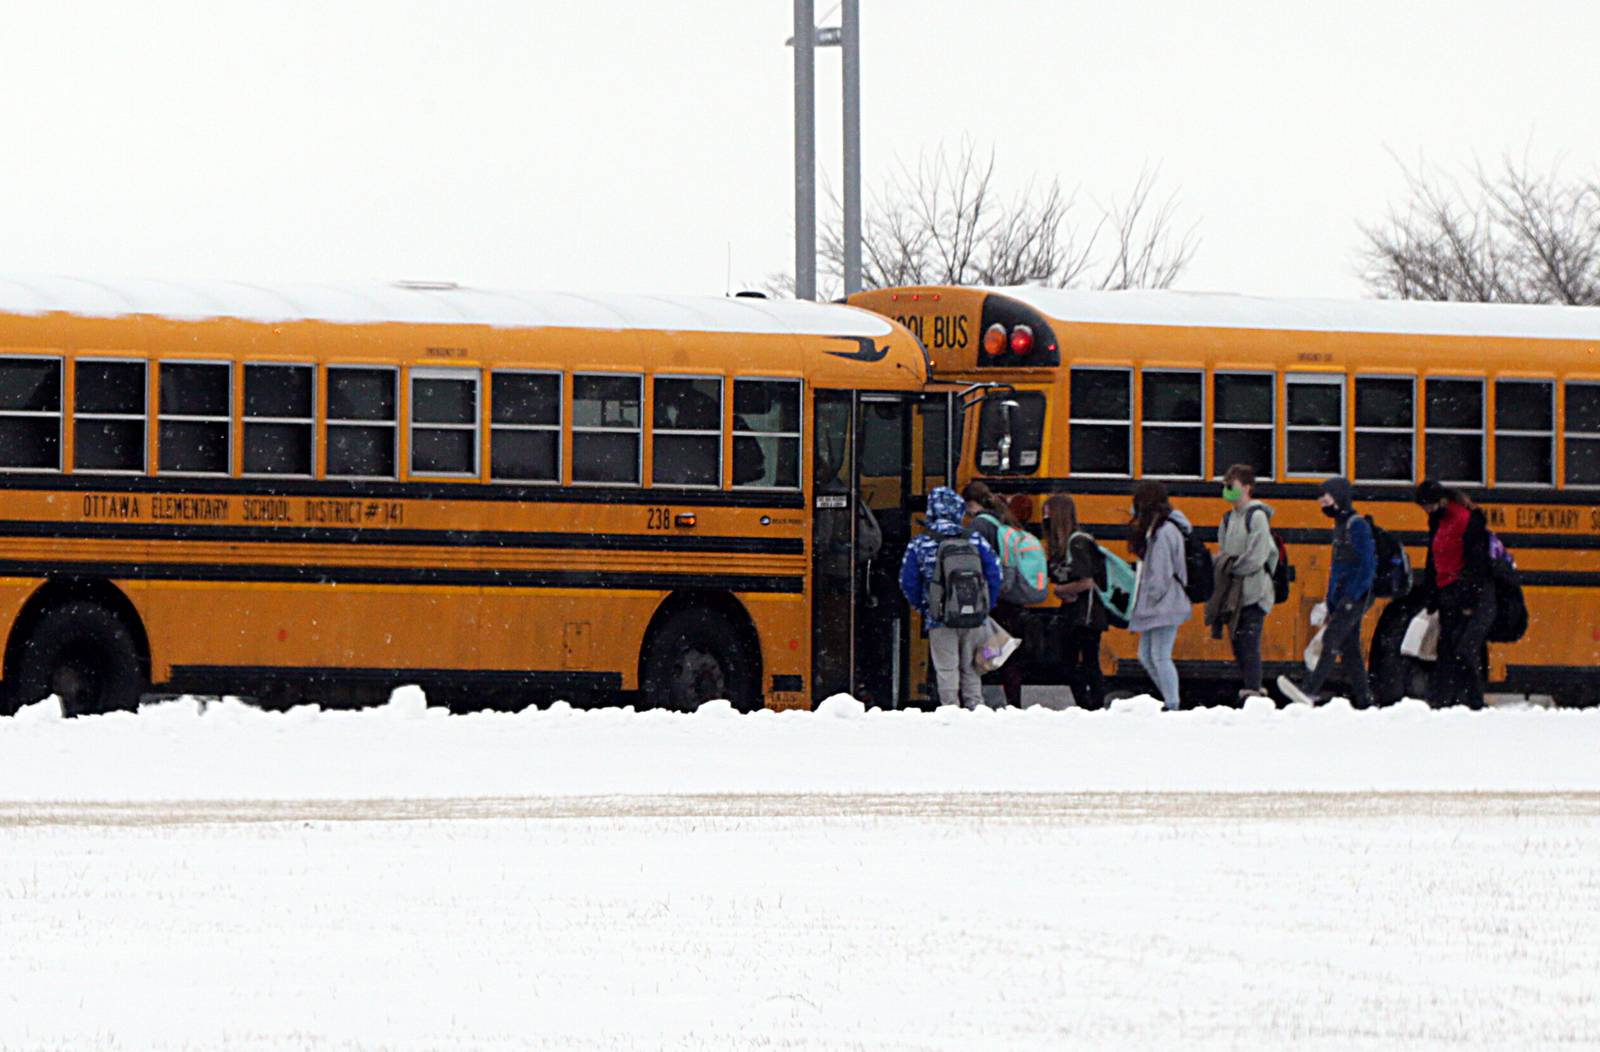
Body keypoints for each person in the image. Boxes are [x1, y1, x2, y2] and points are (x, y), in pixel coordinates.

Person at [900, 485, 1003, 709]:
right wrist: (985, 606)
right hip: (974, 616)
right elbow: (995, 573)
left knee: (947, 669)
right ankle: (975, 707)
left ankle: (950, 710)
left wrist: (925, 607)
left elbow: (908, 582)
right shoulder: (974, 539)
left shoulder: (920, 543)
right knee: (971, 668)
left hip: (939, 617)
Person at [1277, 478, 1376, 707]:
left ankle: (1310, 690)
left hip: (1356, 597)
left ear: (1340, 497)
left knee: (1331, 639)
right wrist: (1331, 603)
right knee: (1350, 649)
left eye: (1326, 497)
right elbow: (1338, 571)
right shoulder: (1341, 526)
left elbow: (1367, 565)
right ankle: (1365, 699)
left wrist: (1352, 596)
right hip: (1343, 598)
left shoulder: (1357, 525)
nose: (1322, 502)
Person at [1414, 479, 1495, 709]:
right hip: (1446, 591)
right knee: (1446, 649)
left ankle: (1472, 700)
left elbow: (1475, 561)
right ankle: (1445, 700)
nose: (1426, 510)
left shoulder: (1465, 520)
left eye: (1428, 505)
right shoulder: (1438, 521)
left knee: (1463, 649)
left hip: (1464, 592)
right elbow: (1433, 558)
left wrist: (1469, 598)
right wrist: (1431, 595)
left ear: (1441, 501)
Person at [1208, 464, 1277, 701]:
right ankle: (1250, 689)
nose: (1227, 490)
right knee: (1238, 645)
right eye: (1225, 485)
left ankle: (1254, 691)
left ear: (1247, 488)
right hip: (1233, 595)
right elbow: (1223, 551)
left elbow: (1258, 556)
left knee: (1249, 645)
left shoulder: (1256, 516)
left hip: (1254, 592)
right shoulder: (1227, 519)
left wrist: (1232, 567)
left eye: (1232, 485)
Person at [1126, 481, 1191, 711]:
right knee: (1147, 655)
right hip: (1163, 603)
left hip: (1165, 603)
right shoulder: (1163, 529)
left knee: (1160, 655)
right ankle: (1169, 698)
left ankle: (1172, 703)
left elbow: (1161, 574)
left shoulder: (1163, 533)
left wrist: (1148, 596)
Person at [963, 480, 1026, 708]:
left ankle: (987, 698)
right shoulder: (1002, 521)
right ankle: (1013, 699)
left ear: (970, 504)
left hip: (994, 599)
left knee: (989, 650)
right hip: (1011, 597)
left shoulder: (979, 526)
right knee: (1007, 651)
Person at [1043, 492, 1106, 711]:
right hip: (1076, 611)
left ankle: (1092, 705)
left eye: (1048, 513)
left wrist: (1062, 589)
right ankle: (1089, 705)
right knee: (1077, 661)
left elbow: (1087, 581)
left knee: (1083, 662)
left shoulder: (1077, 543)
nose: (1045, 519)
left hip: (1085, 612)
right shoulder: (1066, 545)